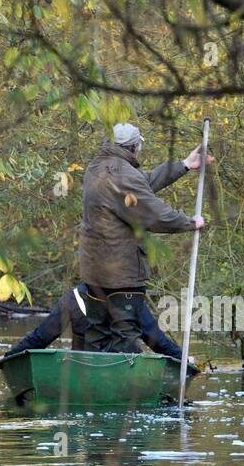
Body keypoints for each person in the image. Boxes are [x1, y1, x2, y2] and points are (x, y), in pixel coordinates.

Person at [78, 122, 210, 353]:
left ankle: (94, 384)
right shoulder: (124, 175)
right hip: (122, 275)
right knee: (126, 335)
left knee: (96, 334)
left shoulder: (96, 167)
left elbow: (142, 184)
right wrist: (189, 222)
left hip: (94, 272)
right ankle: (122, 387)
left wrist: (185, 165)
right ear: (135, 147)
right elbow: (154, 215)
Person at [0, 283, 194, 367]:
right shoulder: (130, 298)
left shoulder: (72, 298)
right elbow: (157, 341)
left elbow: (42, 337)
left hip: (83, 368)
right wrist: (184, 361)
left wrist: (8, 358)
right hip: (124, 370)